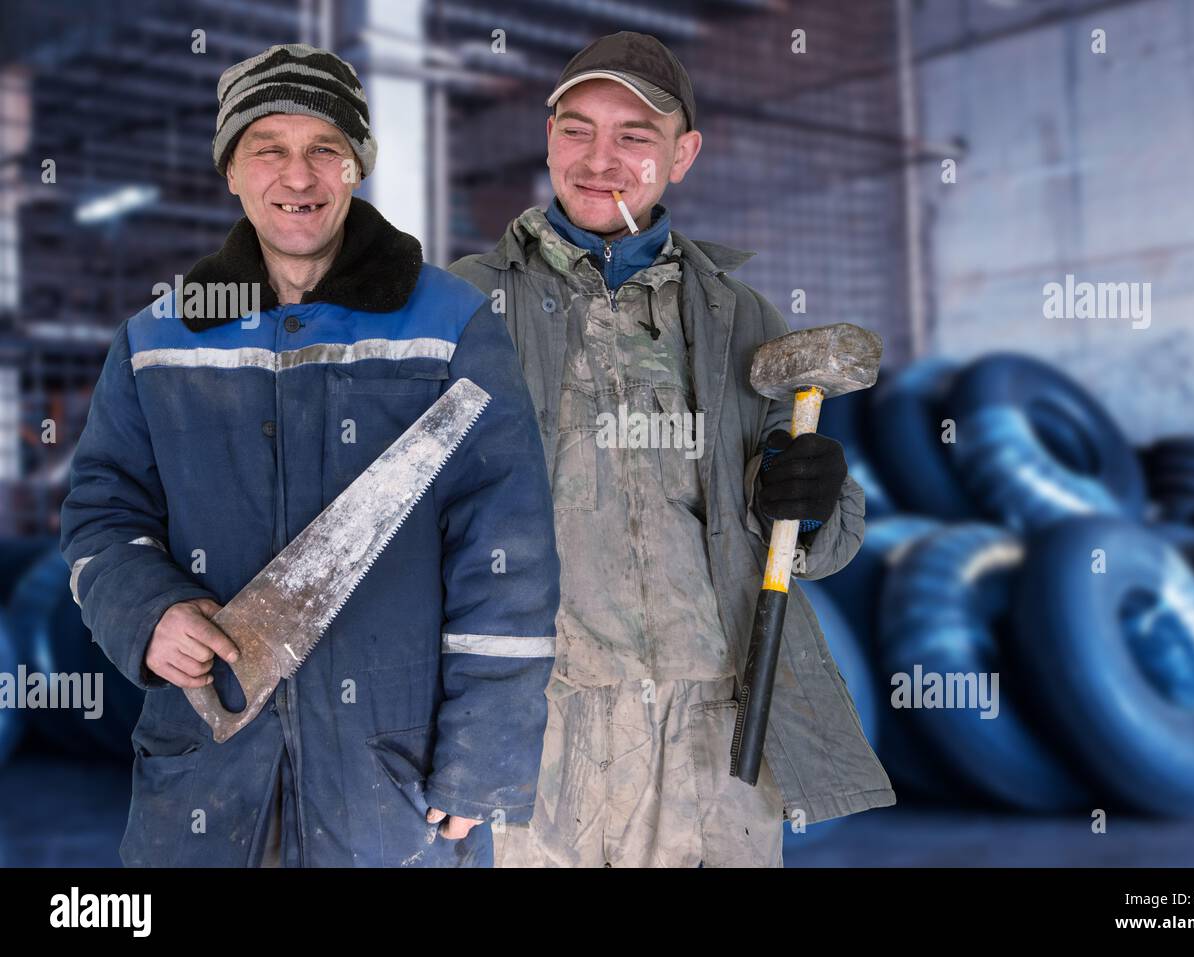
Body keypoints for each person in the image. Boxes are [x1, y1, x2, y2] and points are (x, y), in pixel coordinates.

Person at [59, 44, 560, 867]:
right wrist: (147, 613)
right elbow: (101, 519)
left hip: (393, 789)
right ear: (230, 169)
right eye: (268, 149)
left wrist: (482, 761)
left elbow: (508, 556)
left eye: (325, 148)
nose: (299, 176)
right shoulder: (159, 338)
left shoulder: (450, 324)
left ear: (357, 166)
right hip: (205, 785)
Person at [450, 31, 895, 868]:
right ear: (548, 140)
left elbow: (809, 547)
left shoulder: (741, 317)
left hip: (716, 719)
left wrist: (820, 493)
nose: (599, 158)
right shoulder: (466, 303)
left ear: (683, 154)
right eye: (576, 129)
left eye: (635, 135)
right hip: (545, 721)